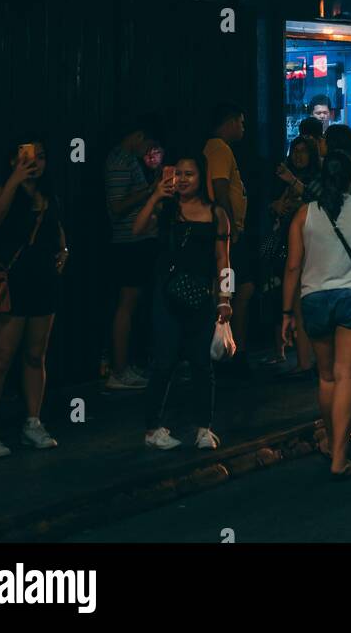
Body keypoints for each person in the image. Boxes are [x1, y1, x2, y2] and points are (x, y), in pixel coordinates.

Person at [282, 152, 351, 478]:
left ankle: (331, 442)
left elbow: (292, 266)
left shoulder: (304, 214)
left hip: (313, 300)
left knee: (326, 376)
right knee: (346, 377)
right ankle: (340, 457)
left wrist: (287, 313)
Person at [0, 138, 68, 458]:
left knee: (35, 355)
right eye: (27, 157)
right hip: (11, 281)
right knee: (0, 356)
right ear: (12, 160)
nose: (36, 163)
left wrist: (64, 248)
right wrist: (14, 180)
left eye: (41, 157)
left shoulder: (47, 191)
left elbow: (55, 224)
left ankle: (32, 423)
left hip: (43, 280)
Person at [133, 152, 232, 450]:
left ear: (201, 177)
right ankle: (152, 429)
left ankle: (203, 428)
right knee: (164, 363)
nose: (183, 179)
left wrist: (225, 297)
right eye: (178, 174)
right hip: (166, 297)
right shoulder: (166, 210)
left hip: (202, 297)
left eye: (190, 173)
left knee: (203, 365)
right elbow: (136, 230)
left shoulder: (216, 213)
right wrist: (155, 196)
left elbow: (224, 259)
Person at [104, 117, 164, 390]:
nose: (148, 150)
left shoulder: (128, 161)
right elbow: (116, 207)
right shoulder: (119, 161)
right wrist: (149, 192)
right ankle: (119, 369)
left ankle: (127, 365)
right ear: (138, 136)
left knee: (134, 304)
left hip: (138, 241)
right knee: (126, 305)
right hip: (129, 242)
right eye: (148, 144)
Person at [203, 104, 252, 368]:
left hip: (230, 231)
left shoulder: (218, 148)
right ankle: (231, 351)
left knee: (235, 286)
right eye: (241, 122)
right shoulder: (220, 148)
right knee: (236, 287)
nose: (243, 128)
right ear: (230, 121)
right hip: (228, 234)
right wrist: (230, 226)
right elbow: (221, 187)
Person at [267, 137, 320, 375]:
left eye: (303, 152)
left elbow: (316, 199)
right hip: (289, 244)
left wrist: (292, 183)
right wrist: (276, 205)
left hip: (312, 246)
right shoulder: (282, 180)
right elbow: (273, 207)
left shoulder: (315, 180)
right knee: (294, 301)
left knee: (303, 303)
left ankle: (307, 360)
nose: (298, 156)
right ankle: (302, 359)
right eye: (295, 151)